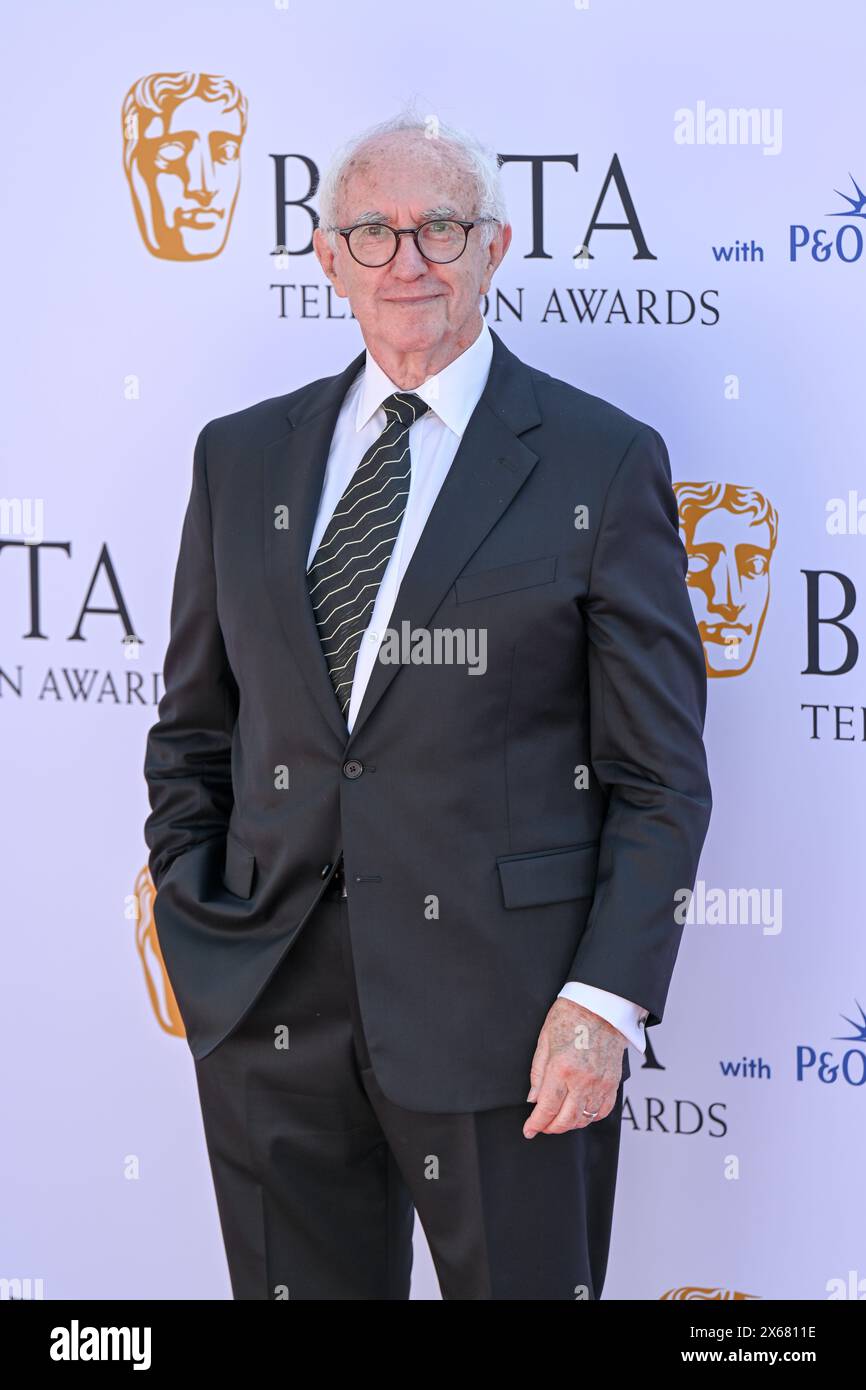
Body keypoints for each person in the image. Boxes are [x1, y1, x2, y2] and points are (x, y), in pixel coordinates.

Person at [143, 109, 712, 1300]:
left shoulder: (596, 463)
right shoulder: (239, 458)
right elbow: (195, 728)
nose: (407, 258)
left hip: (509, 1025)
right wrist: (202, 924)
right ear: (328, 258)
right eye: (373, 230)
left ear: (494, 248)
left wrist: (601, 1002)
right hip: (270, 1013)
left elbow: (657, 774)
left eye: (439, 227)